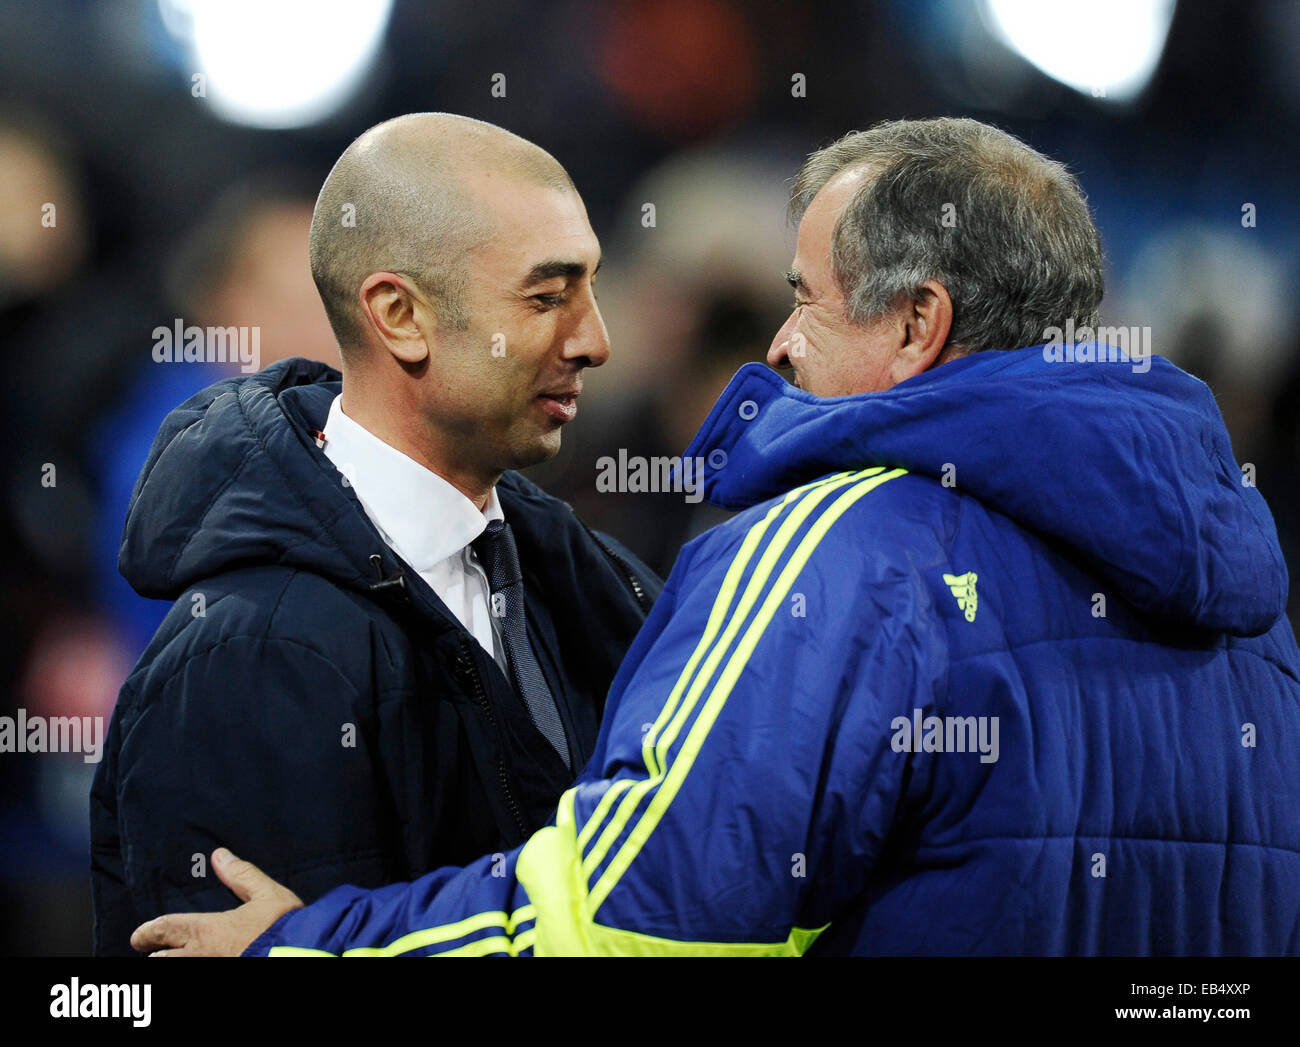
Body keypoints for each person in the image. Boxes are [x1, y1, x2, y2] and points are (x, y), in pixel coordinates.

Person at [133, 117, 1300, 957]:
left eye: (805, 297)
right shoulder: (1249, 603)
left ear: (916, 322)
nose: (779, 347)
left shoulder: (846, 550)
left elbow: (635, 914)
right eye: (551, 296)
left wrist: (309, 951)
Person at [91, 114, 661, 955]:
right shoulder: (252, 656)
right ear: (399, 315)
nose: (595, 339)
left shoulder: (585, 581)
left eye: (591, 287)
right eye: (547, 296)